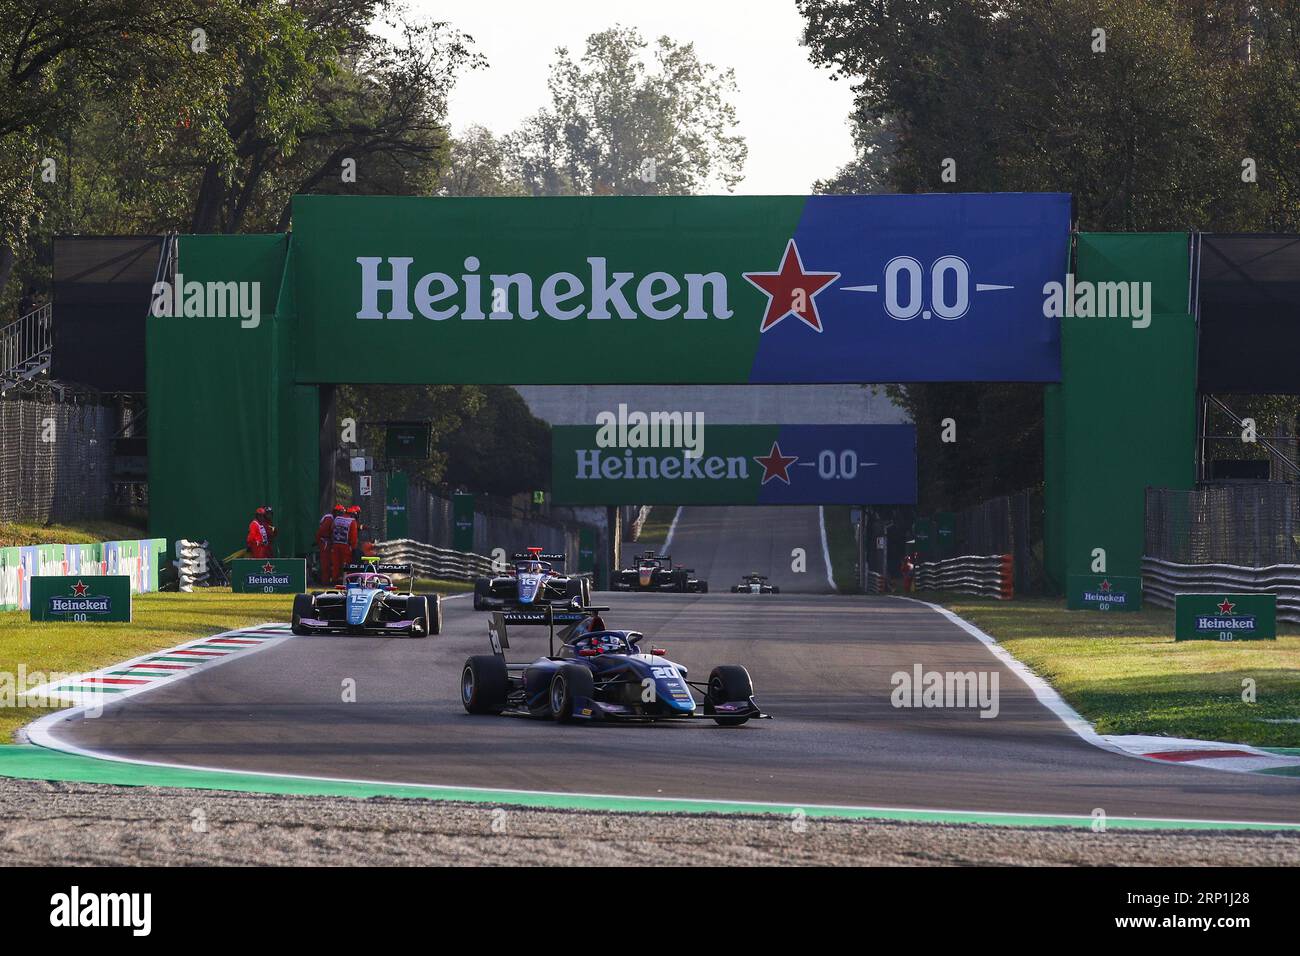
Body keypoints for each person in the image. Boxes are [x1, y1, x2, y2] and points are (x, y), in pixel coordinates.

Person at [329, 505, 358, 585]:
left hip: (335, 544)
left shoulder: (337, 519)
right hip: (346, 546)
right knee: (347, 564)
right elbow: (353, 536)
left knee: (336, 563)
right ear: (353, 514)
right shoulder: (352, 521)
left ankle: (334, 580)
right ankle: (346, 581)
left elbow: (332, 529)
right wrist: (353, 547)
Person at [317, 505, 342, 584]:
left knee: (329, 562)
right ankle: (325, 581)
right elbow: (321, 532)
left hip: (327, 542)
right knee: (325, 563)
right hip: (325, 542)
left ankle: (327, 579)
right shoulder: (329, 519)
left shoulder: (332, 519)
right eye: (340, 513)